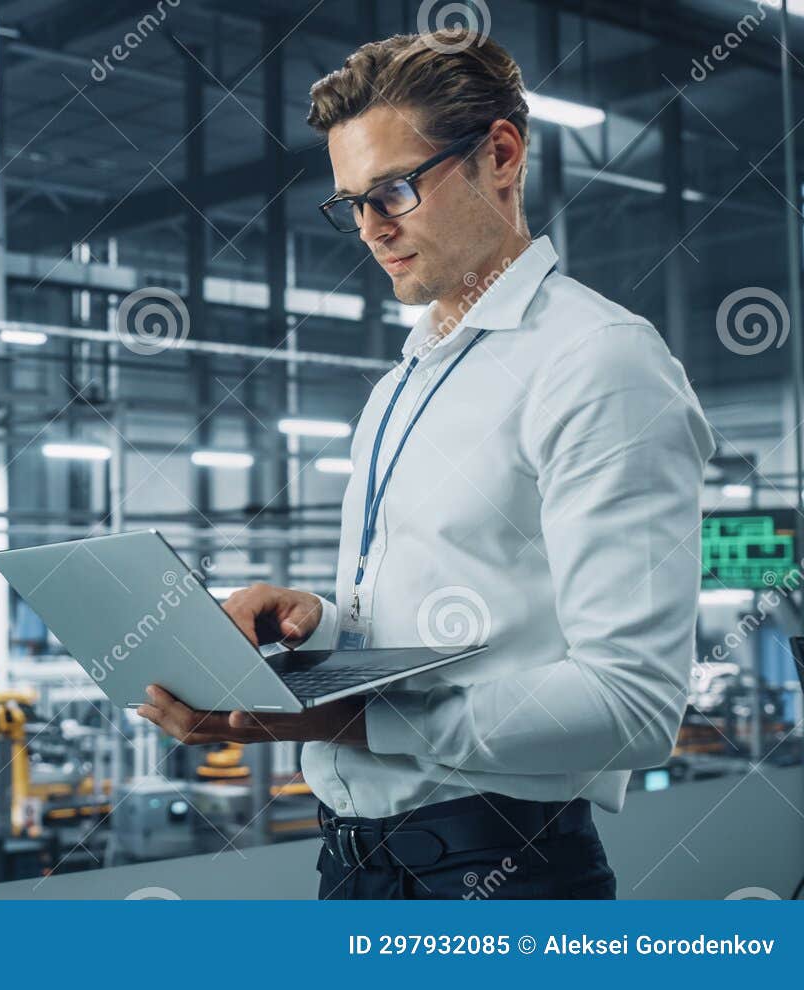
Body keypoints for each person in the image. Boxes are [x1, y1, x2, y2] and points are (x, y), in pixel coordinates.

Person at [136, 29, 714, 899]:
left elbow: (632, 706)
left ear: (501, 157)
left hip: (498, 871)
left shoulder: (597, 361)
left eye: (395, 190)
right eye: (351, 204)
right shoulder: (403, 384)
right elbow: (450, 635)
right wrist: (321, 626)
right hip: (356, 863)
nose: (371, 228)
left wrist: (351, 719)